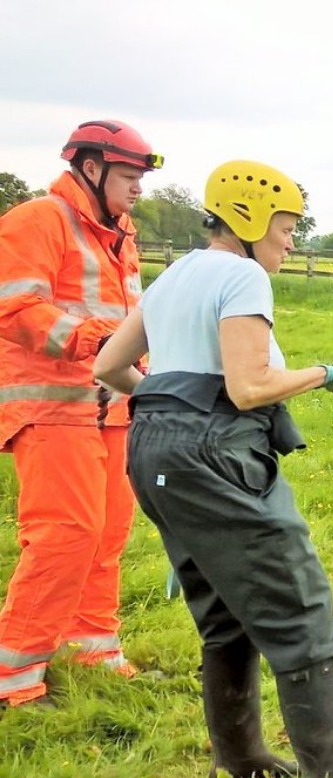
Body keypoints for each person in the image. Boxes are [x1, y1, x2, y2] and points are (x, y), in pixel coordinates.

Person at [93, 160, 333, 778]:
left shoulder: (176, 273)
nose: (292, 240)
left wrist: (168, 405)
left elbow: (111, 364)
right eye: (287, 227)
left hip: (154, 448)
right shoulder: (242, 276)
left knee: (224, 611)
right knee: (296, 600)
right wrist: (326, 374)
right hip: (217, 455)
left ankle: (239, 759)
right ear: (249, 219)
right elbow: (248, 388)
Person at [0, 120, 164, 708]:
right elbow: (16, 308)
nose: (139, 189)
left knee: (108, 534)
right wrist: (102, 343)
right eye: (129, 176)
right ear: (91, 168)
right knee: (64, 535)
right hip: (51, 405)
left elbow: (132, 321)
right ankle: (13, 679)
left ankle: (92, 648)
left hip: (111, 407)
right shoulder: (37, 220)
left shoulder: (121, 235)